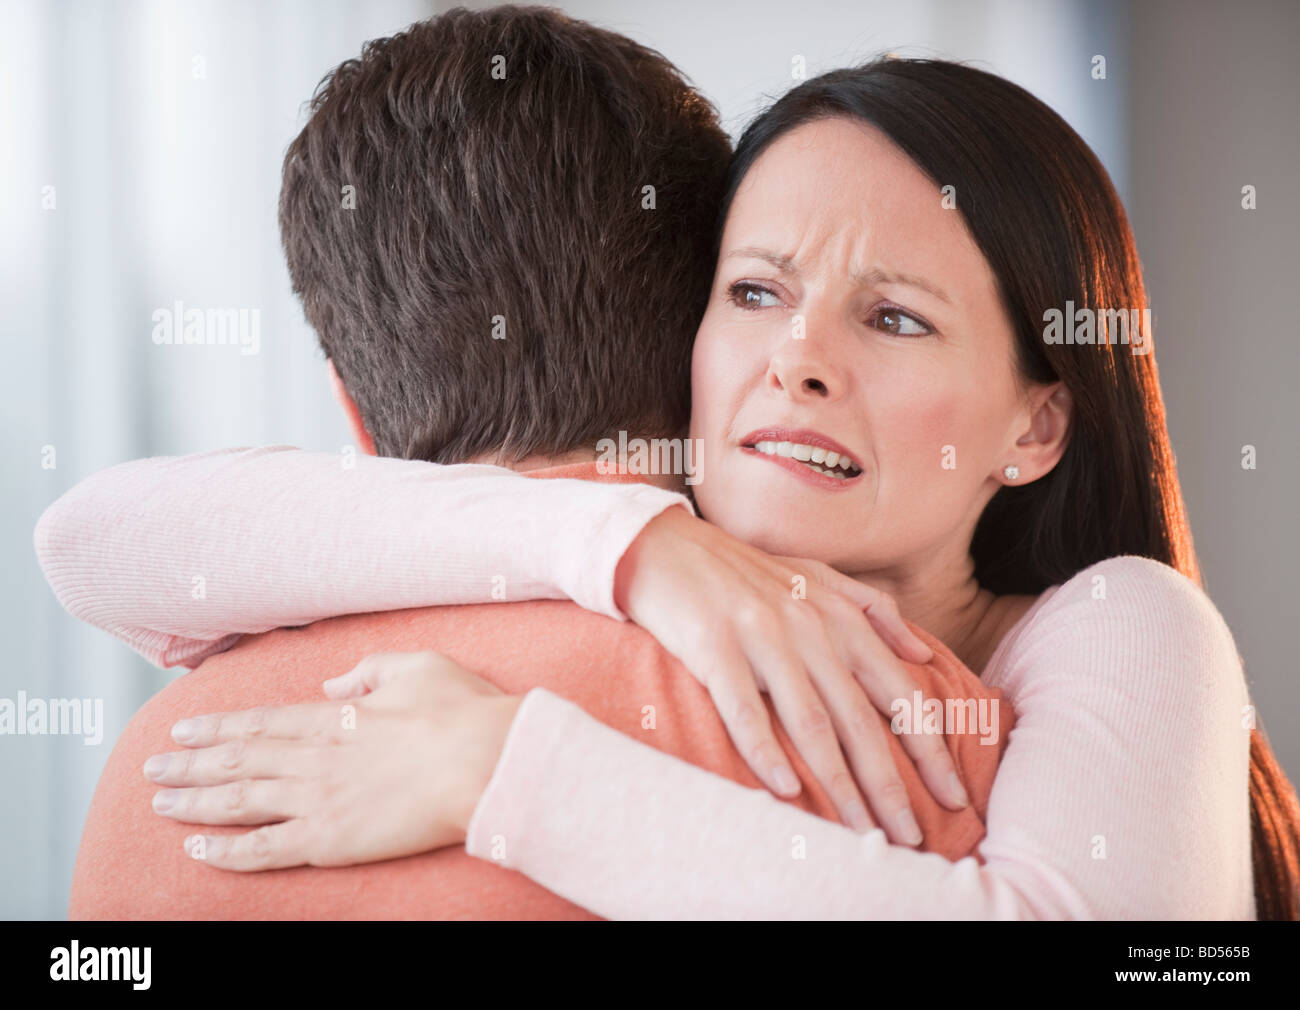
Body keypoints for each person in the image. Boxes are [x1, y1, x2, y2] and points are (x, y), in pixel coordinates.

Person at [42, 56, 1300, 918]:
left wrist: (500, 774)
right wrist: (629, 541)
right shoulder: (659, 580)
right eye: (756, 291)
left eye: (895, 318)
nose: (797, 359)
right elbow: (96, 541)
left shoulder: (1126, 621)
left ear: (1034, 425)